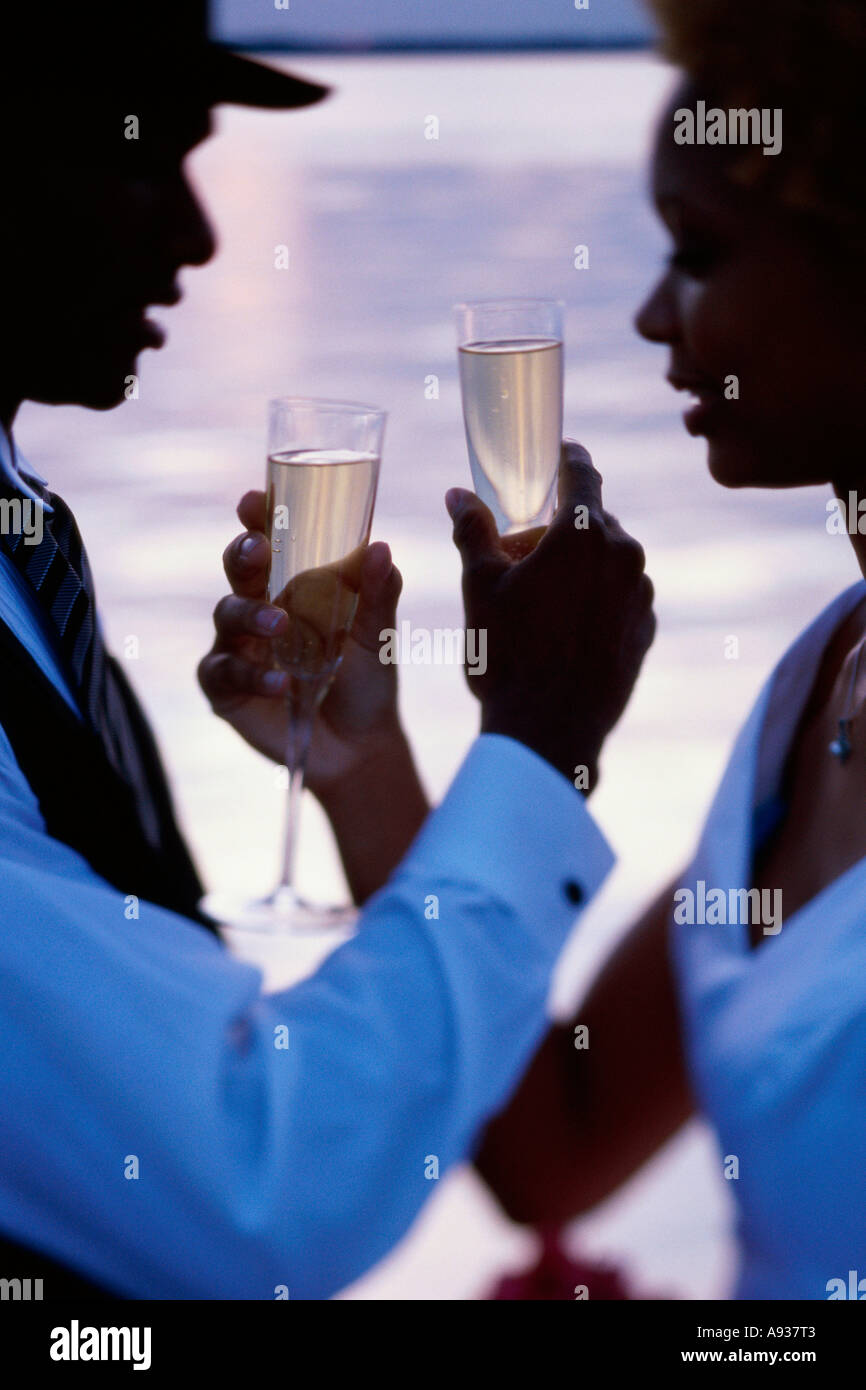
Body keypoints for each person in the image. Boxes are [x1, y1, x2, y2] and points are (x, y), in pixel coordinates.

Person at [0, 4, 654, 1297]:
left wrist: (360, 768)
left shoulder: (25, 531)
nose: (196, 236)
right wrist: (534, 743)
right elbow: (265, 1178)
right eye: (138, 155)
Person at [467, 0, 866, 1301]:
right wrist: (431, 754)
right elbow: (557, 1144)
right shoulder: (818, 678)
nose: (647, 317)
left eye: (696, 250)